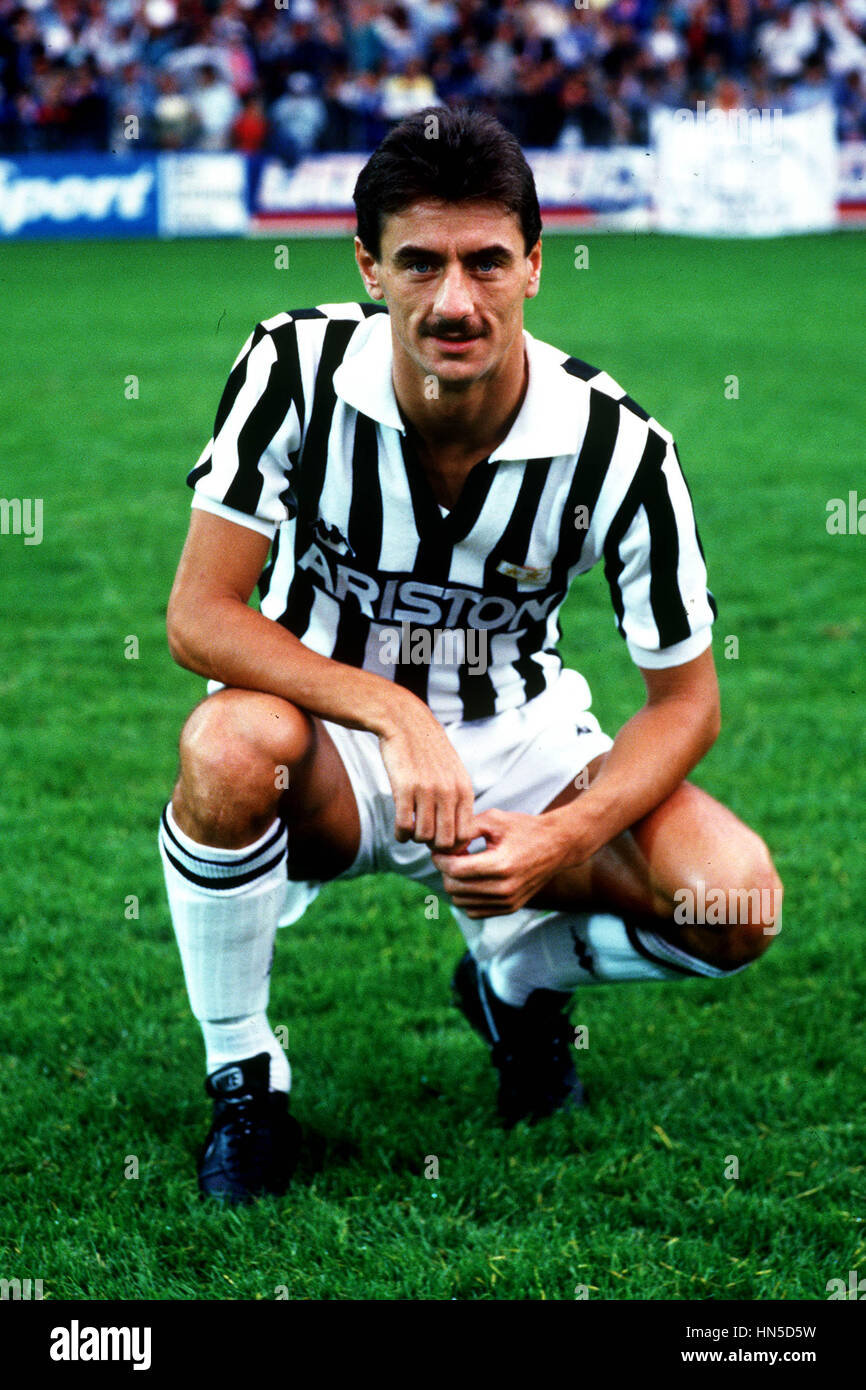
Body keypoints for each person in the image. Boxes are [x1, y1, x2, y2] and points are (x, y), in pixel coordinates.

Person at [159, 106, 783, 1204]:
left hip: (520, 743)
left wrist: (559, 834)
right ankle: (245, 1076)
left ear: (534, 265)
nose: (455, 300)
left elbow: (685, 704)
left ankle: (512, 975)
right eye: (420, 263)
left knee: (733, 904)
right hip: (330, 751)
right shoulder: (292, 368)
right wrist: (392, 718)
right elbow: (201, 616)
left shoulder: (618, 446)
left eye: (486, 262)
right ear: (368, 265)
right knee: (224, 743)